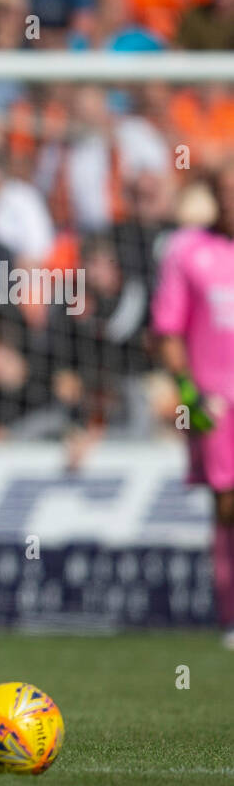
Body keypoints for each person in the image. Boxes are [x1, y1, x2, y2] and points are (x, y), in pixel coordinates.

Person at [152, 163, 234, 650]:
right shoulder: (188, 251)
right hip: (216, 403)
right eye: (223, 191)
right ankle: (231, 615)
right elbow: (166, 331)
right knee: (228, 503)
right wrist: (188, 392)